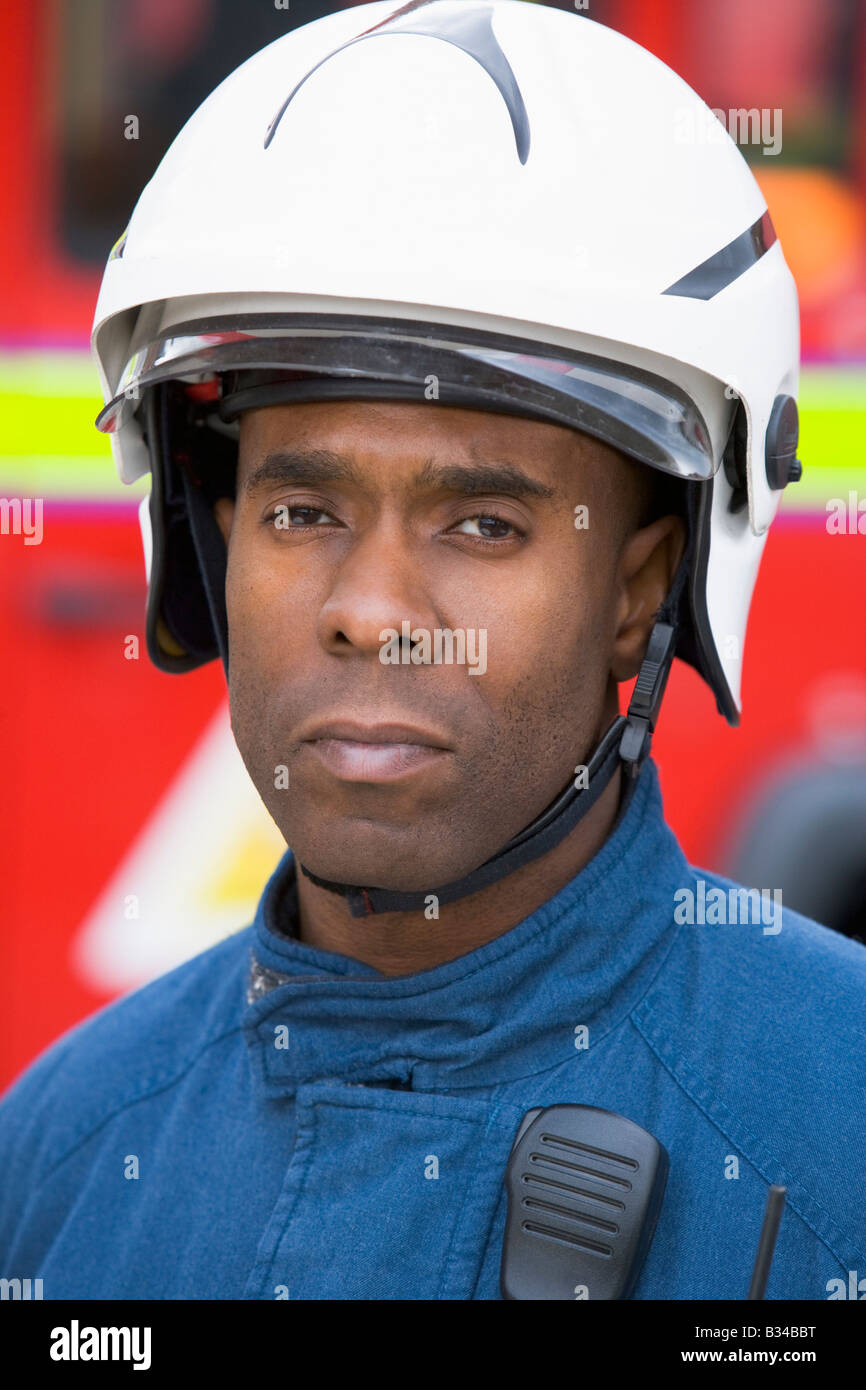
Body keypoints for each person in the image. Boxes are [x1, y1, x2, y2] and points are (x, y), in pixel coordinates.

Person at [1, 0, 864, 1301]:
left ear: (641, 588)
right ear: (208, 541)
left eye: (480, 521)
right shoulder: (55, 1156)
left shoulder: (833, 1128)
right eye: (301, 512)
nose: (369, 608)